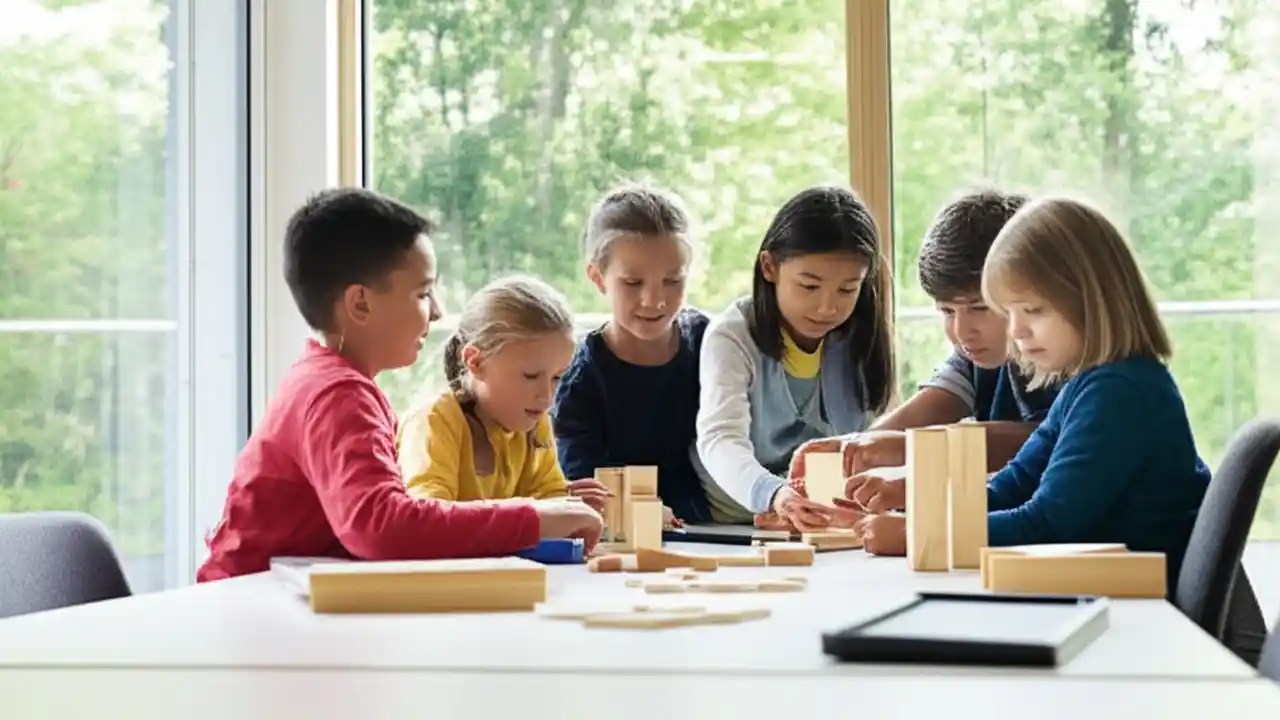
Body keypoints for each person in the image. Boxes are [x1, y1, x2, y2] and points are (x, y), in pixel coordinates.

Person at [197, 188, 601, 582]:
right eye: (423, 293)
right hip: (251, 606)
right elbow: (379, 526)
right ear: (360, 304)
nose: (438, 311)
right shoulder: (336, 393)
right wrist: (534, 518)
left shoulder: (329, 381)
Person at [852, 196, 1209, 592]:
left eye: (1033, 311)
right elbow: (1013, 484)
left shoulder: (1121, 393)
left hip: (1135, 611)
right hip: (1102, 594)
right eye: (1011, 313)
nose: (1017, 331)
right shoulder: (1087, 385)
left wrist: (920, 535)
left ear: (1091, 299)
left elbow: (1047, 523)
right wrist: (919, 512)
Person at [791, 189, 1057, 514]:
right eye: (947, 311)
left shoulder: (1071, 358)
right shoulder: (975, 355)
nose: (961, 331)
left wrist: (908, 448)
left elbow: (1051, 439)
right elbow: (921, 413)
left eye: (979, 308)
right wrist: (851, 448)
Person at [696, 185, 895, 531]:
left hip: (829, 521)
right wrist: (774, 495)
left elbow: (875, 436)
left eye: (848, 289)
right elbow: (719, 440)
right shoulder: (732, 336)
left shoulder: (859, 336)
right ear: (769, 267)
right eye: (809, 285)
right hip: (736, 522)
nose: (828, 307)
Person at [550, 184, 747, 523]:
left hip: (721, 525)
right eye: (632, 283)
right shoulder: (578, 379)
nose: (654, 300)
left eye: (673, 281)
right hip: (626, 535)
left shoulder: (712, 343)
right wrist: (640, 509)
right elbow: (582, 481)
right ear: (597, 278)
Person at [398, 275, 598, 506]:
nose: (547, 396)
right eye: (530, 376)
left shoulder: (533, 421)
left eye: (557, 377)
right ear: (477, 362)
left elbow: (547, 497)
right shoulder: (435, 421)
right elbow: (429, 517)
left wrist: (567, 505)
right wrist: (536, 513)